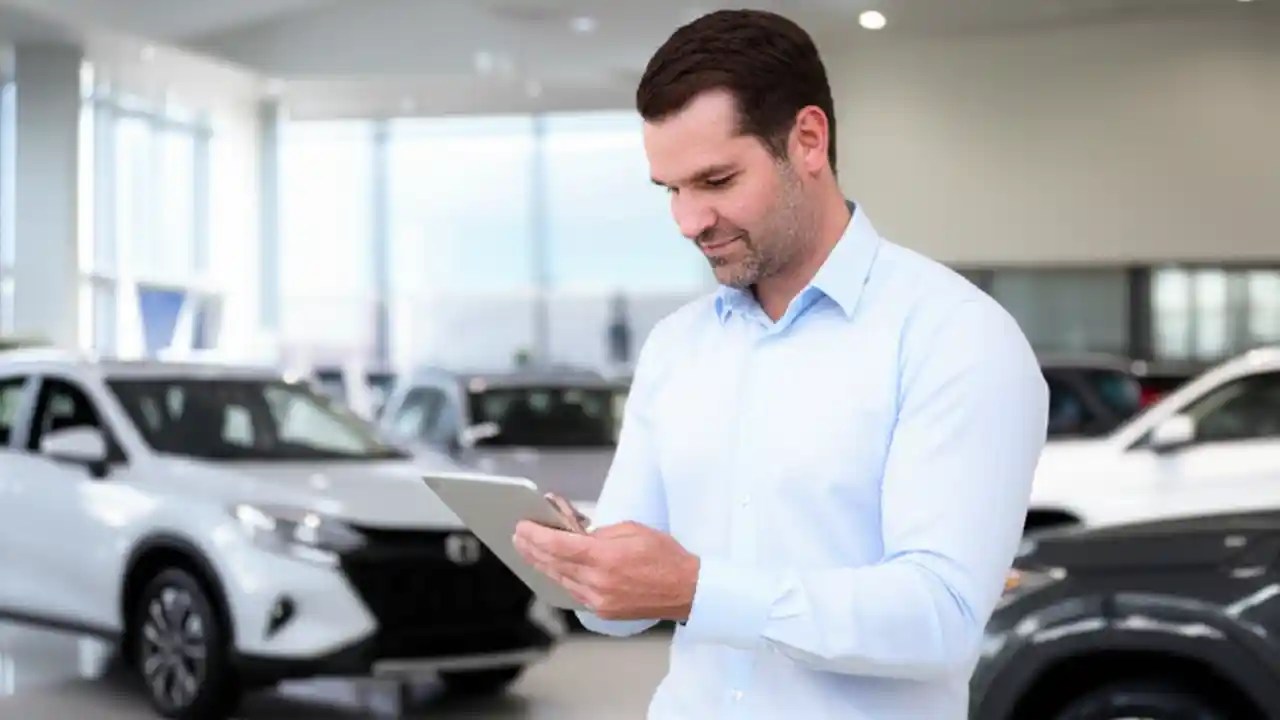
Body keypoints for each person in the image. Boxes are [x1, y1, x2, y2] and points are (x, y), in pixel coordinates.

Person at [513, 8, 1049, 718]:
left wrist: (696, 589)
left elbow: (941, 617)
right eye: (671, 189)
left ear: (807, 140)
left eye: (716, 180)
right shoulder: (678, 346)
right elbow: (617, 616)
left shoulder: (955, 336)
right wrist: (587, 571)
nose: (688, 221)